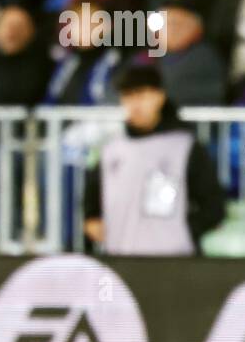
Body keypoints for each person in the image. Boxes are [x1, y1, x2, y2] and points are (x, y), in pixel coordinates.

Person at [83, 65, 226, 256]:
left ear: (159, 96)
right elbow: (92, 196)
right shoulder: (112, 150)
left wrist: (180, 233)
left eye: (141, 95)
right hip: (121, 257)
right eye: (128, 96)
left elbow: (214, 206)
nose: (135, 105)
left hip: (174, 260)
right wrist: (92, 218)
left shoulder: (184, 147)